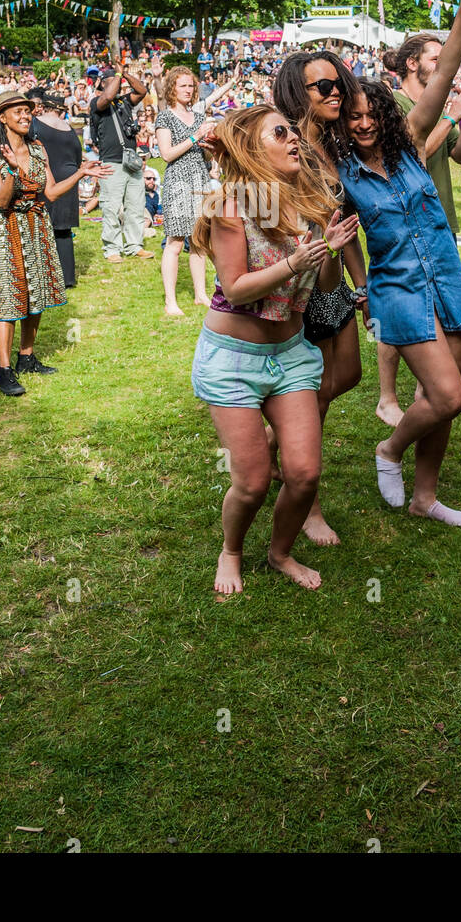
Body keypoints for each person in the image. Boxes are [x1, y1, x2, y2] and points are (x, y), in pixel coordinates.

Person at [190, 106, 358, 594]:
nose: (294, 140)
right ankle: (232, 550)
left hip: (290, 355)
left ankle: (279, 552)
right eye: (279, 133)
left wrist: (327, 249)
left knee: (304, 474)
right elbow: (237, 287)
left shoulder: (308, 199)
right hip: (232, 361)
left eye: (292, 131)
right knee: (253, 482)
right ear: (251, 148)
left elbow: (326, 284)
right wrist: (295, 262)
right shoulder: (229, 204)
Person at [340, 0, 461, 526]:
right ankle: (387, 450)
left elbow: (444, 73)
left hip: (447, 278)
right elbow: (345, 233)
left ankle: (426, 497)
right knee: (447, 396)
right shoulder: (344, 174)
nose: (365, 122)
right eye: (353, 117)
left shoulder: (413, 147)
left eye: (372, 113)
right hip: (398, 289)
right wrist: (362, 289)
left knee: (443, 402)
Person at [273, 49, 364, 547]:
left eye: (337, 84)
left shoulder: (334, 144)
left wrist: (361, 286)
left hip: (333, 284)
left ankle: (273, 446)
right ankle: (306, 504)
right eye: (322, 87)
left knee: (345, 376)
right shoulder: (286, 148)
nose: (335, 92)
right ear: (296, 92)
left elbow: (344, 225)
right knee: (314, 399)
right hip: (301, 290)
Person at [375, 34, 461, 426]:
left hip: (439, 221)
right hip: (403, 224)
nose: (443, 63)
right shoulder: (396, 103)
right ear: (411, 64)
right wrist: (452, 114)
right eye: (435, 58)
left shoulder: (440, 108)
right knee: (399, 308)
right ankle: (387, 396)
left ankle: (433, 388)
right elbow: (413, 149)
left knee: (439, 310)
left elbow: (460, 153)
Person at [0, 90, 105, 396]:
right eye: (17, 111)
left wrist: (80, 173)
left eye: (27, 111)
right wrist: (10, 170)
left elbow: (50, 192)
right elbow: (3, 198)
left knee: (36, 291)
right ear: (2, 118)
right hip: (6, 229)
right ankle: (5, 371)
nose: (24, 116)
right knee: (9, 296)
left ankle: (27, 357)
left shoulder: (38, 149)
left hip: (36, 225)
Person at [155, 66, 235, 316]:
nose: (188, 90)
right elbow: (166, 154)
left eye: (191, 86)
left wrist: (213, 145)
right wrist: (194, 138)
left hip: (200, 181)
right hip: (178, 183)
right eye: (183, 86)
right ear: (172, 89)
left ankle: (201, 295)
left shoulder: (200, 118)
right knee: (175, 243)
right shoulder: (165, 118)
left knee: (199, 242)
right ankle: (171, 301)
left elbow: (207, 154)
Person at [31, 89, 109, 289]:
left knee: (43, 228)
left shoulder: (35, 124)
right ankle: (67, 278)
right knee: (63, 231)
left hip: (47, 178)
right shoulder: (68, 129)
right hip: (69, 178)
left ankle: (45, 274)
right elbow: (76, 157)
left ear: (44, 105)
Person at [88, 60, 155, 264]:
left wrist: (124, 74)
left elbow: (142, 90)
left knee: (135, 206)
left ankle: (134, 245)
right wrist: (116, 77)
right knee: (111, 207)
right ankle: (112, 248)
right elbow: (108, 95)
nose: (116, 87)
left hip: (131, 162)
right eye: (112, 82)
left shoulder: (124, 101)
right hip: (111, 162)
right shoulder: (96, 102)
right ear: (102, 84)